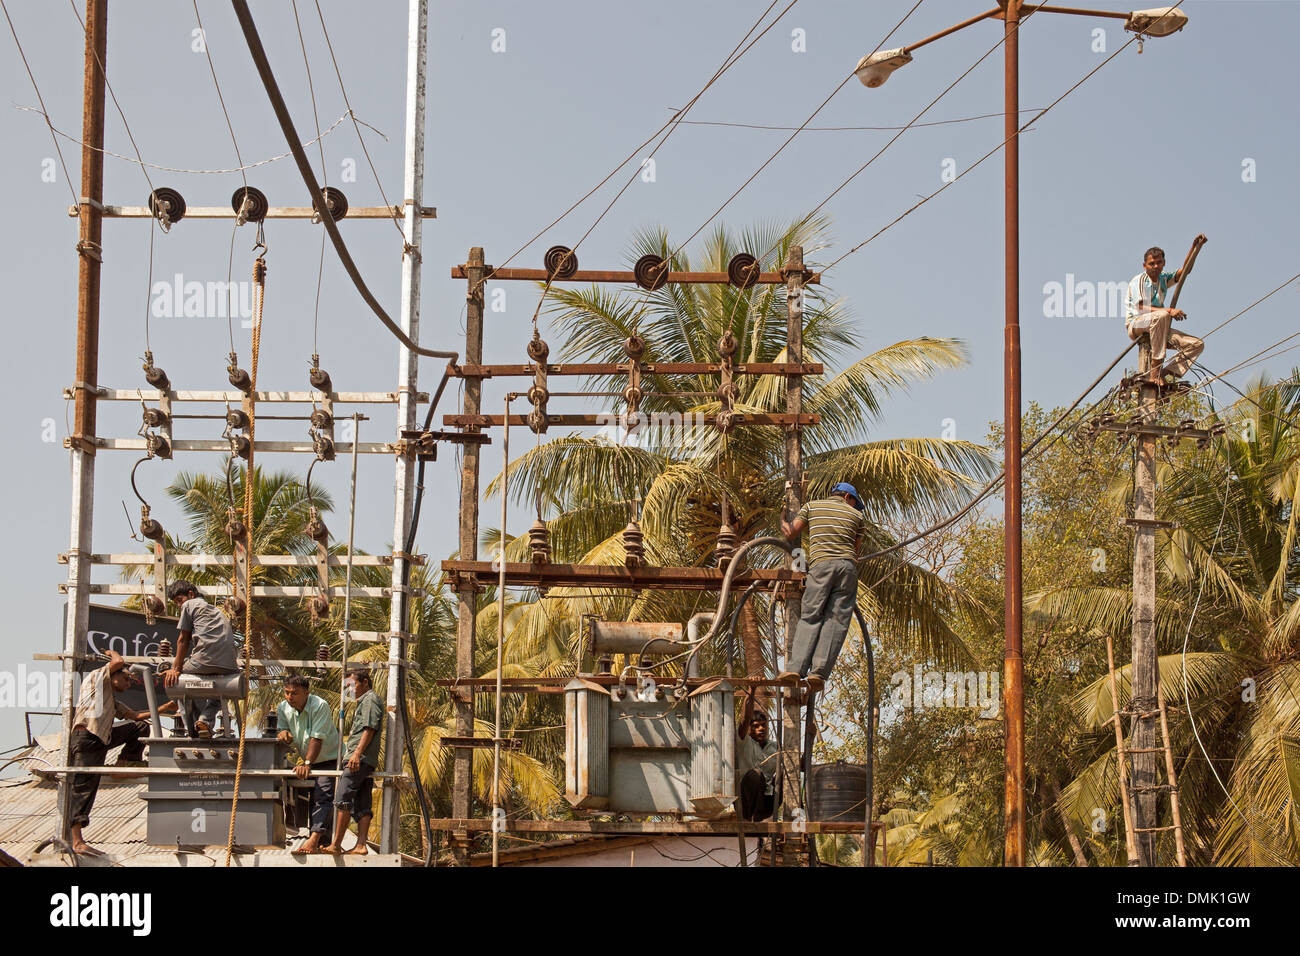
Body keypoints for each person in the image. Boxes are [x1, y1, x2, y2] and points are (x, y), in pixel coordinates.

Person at [778, 482, 867, 693]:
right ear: (847, 497)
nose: (855, 506)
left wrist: (782, 518)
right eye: (854, 502)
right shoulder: (858, 518)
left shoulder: (812, 507)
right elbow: (855, 552)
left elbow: (790, 533)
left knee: (811, 615)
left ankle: (795, 669)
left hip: (821, 567)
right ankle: (818, 673)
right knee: (835, 621)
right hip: (847, 569)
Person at [68, 650, 155, 855]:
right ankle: (77, 841)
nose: (128, 683)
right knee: (83, 786)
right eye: (125, 679)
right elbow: (118, 661)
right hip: (86, 737)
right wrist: (111, 652)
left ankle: (124, 763)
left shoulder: (110, 696)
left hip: (100, 738)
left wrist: (163, 708)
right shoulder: (97, 678)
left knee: (140, 727)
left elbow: (135, 716)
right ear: (113, 675)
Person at [162, 579, 241, 739]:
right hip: (229, 665)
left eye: (179, 600)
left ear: (190, 594)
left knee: (180, 684)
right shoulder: (217, 611)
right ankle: (205, 720)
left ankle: (193, 731)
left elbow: (183, 639)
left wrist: (176, 669)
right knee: (220, 690)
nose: (179, 605)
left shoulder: (189, 605)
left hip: (203, 660)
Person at [276, 674, 340, 854]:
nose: (289, 697)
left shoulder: (319, 705)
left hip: (328, 759)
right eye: (287, 693)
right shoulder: (283, 708)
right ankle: (319, 839)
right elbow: (283, 730)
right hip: (308, 761)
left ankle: (315, 839)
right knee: (309, 799)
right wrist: (283, 734)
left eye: (294, 693)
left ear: (306, 692)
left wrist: (307, 763)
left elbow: (316, 738)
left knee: (323, 796)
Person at [323, 666, 384, 855]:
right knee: (362, 801)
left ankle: (335, 844)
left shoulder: (370, 699)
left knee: (342, 797)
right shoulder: (364, 701)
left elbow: (369, 728)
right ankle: (360, 845)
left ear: (364, 682)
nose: (350, 689)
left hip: (359, 758)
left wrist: (357, 753)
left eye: (352, 684)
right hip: (363, 758)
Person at [1125, 243, 1204, 386]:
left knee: (1196, 345)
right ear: (1145, 266)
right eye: (1152, 264)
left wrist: (1194, 248)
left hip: (1158, 327)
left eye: (1159, 263)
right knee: (1163, 316)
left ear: (1164, 263)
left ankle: (1164, 373)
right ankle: (1155, 370)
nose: (1155, 266)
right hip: (1137, 324)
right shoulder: (1141, 280)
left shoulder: (1163, 279)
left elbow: (1185, 272)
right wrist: (1169, 310)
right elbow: (1142, 308)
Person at [735, 690, 779, 822]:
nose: (761, 729)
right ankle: (754, 818)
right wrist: (752, 690)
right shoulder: (743, 741)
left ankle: (797, 819)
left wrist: (810, 734)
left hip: (767, 802)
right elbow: (744, 719)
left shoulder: (775, 747)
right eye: (756, 726)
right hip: (745, 803)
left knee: (785, 776)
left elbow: (799, 765)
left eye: (763, 725)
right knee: (755, 774)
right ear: (749, 729)